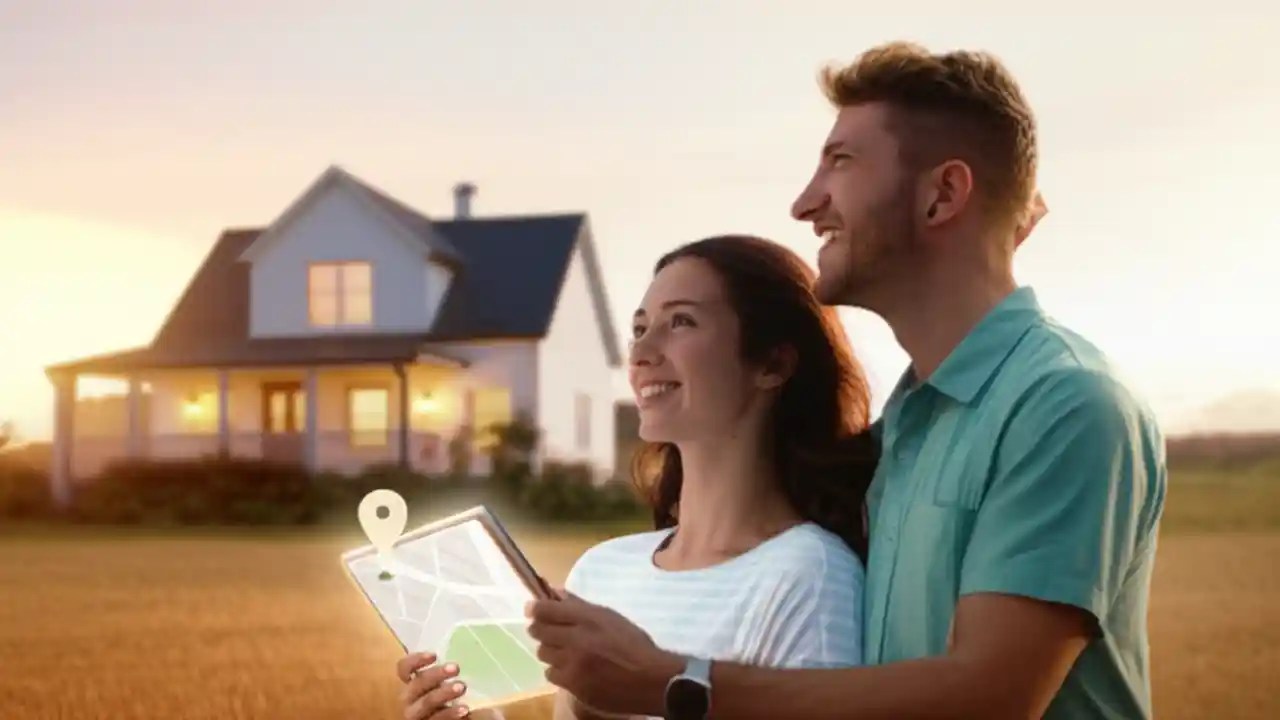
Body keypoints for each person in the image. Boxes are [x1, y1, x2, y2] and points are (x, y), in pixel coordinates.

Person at [524, 41, 1168, 720]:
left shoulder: (1067, 403)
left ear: (943, 193)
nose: (806, 203)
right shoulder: (906, 429)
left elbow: (992, 698)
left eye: (841, 162)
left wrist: (675, 683)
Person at [395, 235, 881, 719]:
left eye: (681, 322)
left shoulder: (809, 575)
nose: (641, 352)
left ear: (773, 364)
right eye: (640, 328)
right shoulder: (602, 570)